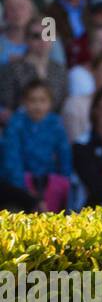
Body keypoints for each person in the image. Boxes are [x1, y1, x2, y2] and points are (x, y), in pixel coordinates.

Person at [2, 79, 72, 211]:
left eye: (42, 100)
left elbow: (64, 156)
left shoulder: (56, 124)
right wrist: (24, 190)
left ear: (50, 103)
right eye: (32, 100)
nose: (37, 105)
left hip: (50, 183)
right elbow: (12, 159)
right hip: (21, 184)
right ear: (24, 102)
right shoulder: (16, 124)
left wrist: (63, 183)